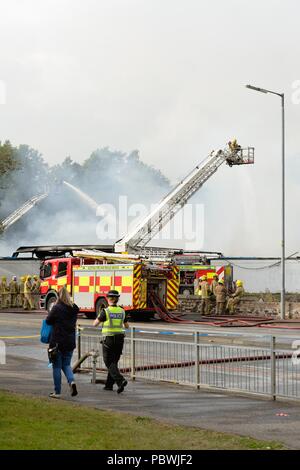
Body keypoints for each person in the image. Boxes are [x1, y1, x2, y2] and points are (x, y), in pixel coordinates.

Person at [46, 286, 79, 399]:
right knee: (66, 364)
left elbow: (48, 320)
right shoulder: (74, 308)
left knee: (56, 366)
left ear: (58, 296)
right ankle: (72, 382)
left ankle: (57, 392)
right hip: (70, 341)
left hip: (57, 342)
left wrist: (55, 306)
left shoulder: (57, 308)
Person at [93, 290, 129, 393]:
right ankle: (109, 385)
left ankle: (120, 380)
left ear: (108, 299)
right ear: (117, 299)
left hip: (108, 339)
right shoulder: (122, 311)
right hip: (119, 339)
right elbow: (127, 326)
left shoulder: (106, 311)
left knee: (108, 362)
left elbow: (94, 324)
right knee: (114, 362)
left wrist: (98, 318)